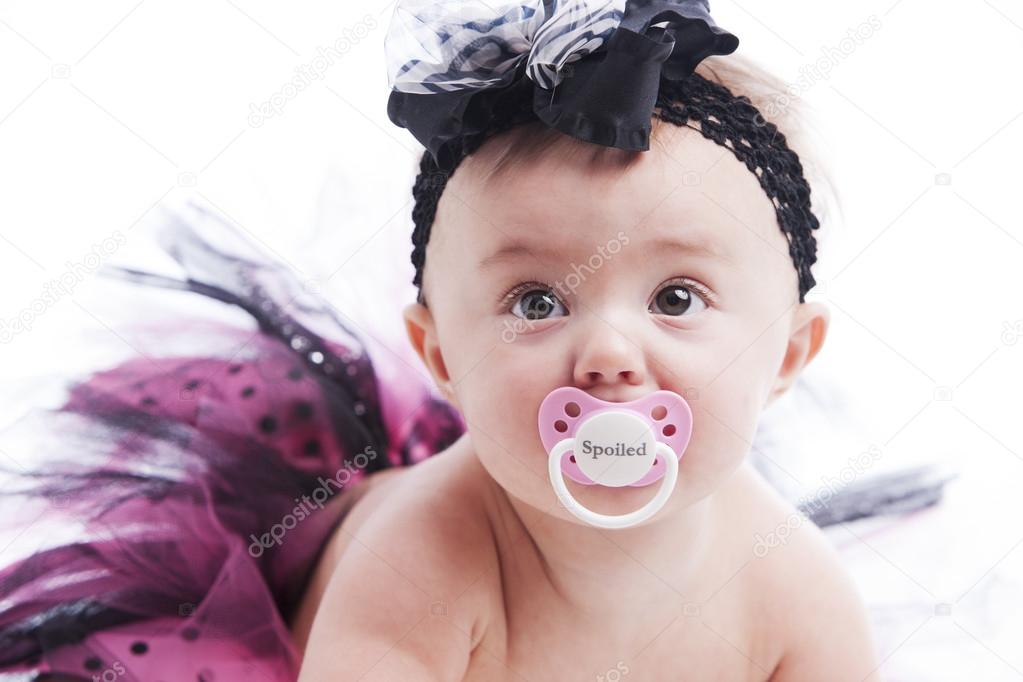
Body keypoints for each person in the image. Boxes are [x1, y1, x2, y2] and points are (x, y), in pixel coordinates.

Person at [0, 1, 909, 679]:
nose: (608, 355)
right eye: (535, 302)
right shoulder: (419, 567)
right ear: (440, 357)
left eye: (675, 297)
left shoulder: (793, 592)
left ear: (787, 356)